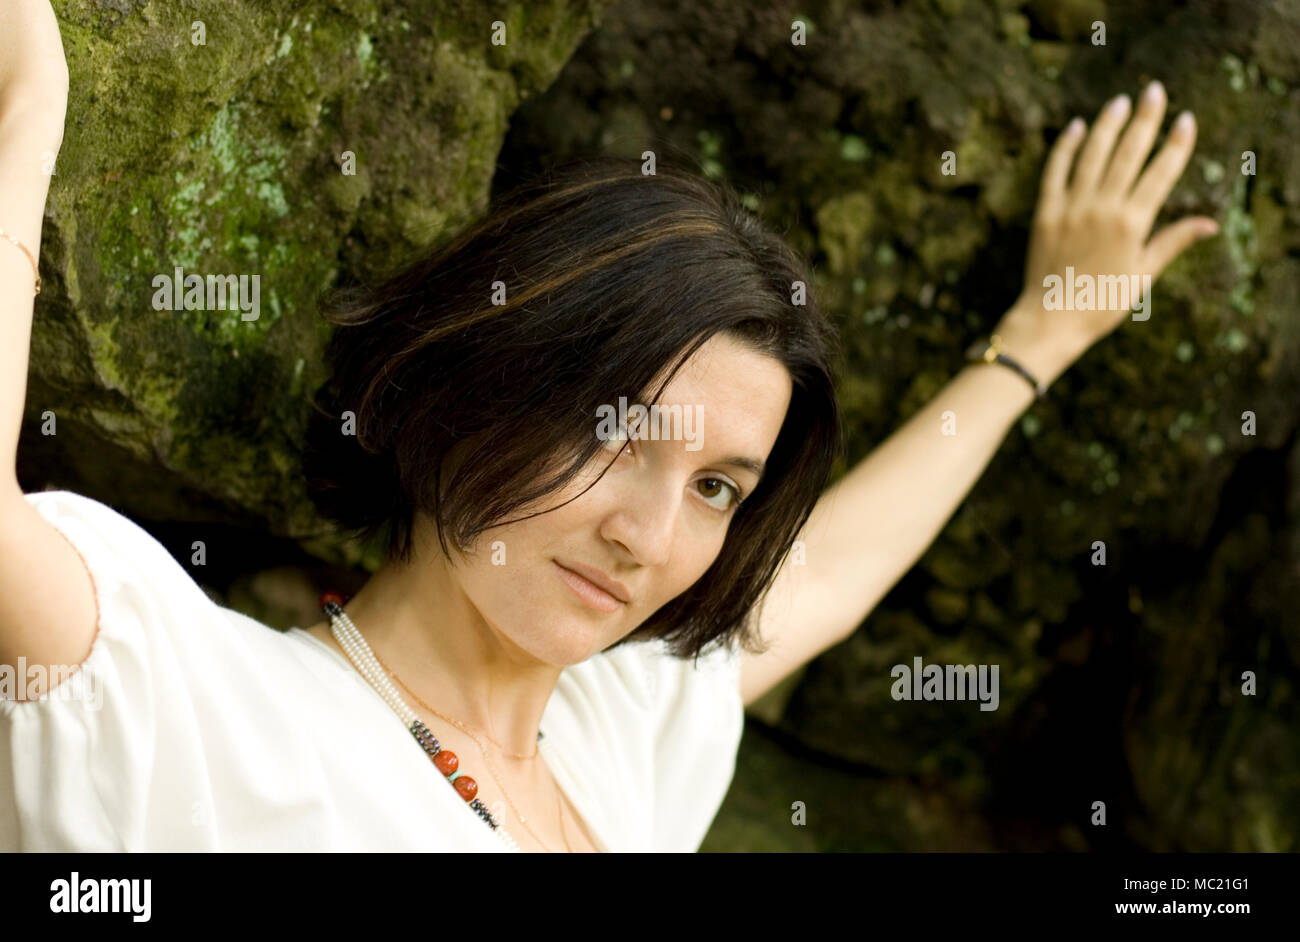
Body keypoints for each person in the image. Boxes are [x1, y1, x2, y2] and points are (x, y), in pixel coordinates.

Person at [0, 0, 1218, 852]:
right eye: (618, 434)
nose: (647, 533)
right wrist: (29, 104)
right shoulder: (196, 700)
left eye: (716, 489)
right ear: (480, 380)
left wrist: (1044, 337)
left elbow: (828, 571)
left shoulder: (621, 741)